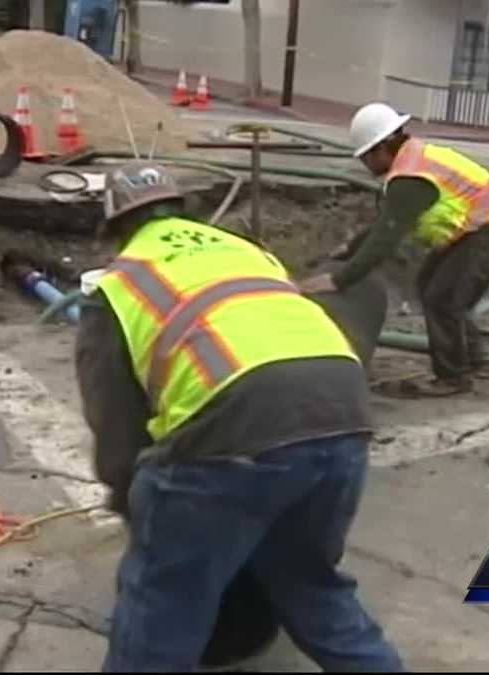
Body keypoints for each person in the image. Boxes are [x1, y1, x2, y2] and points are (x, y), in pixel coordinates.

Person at [76, 163, 403, 672]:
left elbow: (115, 426)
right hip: (344, 409)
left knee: (163, 605)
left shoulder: (122, 283)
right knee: (311, 585)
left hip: (234, 428)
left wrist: (133, 502)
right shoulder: (250, 253)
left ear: (116, 229)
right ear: (185, 210)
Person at [299, 102, 489, 397]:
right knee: (430, 285)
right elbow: (387, 224)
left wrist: (337, 280)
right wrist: (349, 249)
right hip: (474, 227)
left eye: (365, 157)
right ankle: (477, 357)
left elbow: (385, 240)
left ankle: (454, 377)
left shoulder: (410, 179)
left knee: (443, 299)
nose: (365, 166)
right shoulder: (413, 160)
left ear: (380, 149)